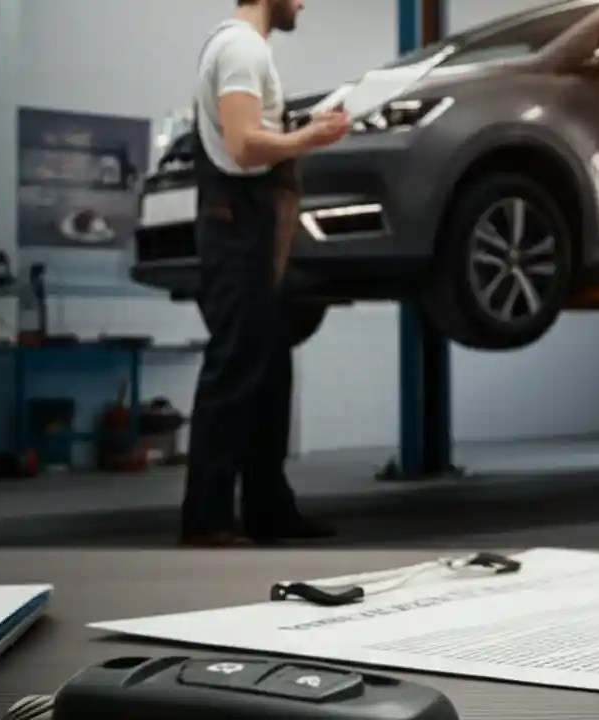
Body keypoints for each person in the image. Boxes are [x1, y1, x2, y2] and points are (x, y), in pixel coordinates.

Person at [182, 0, 351, 547]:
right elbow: (244, 145)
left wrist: (302, 129)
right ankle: (206, 518)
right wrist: (311, 138)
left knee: (269, 368)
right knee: (235, 368)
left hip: (249, 228)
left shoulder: (242, 49)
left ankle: (268, 508)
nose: (305, 2)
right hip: (238, 229)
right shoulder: (241, 48)